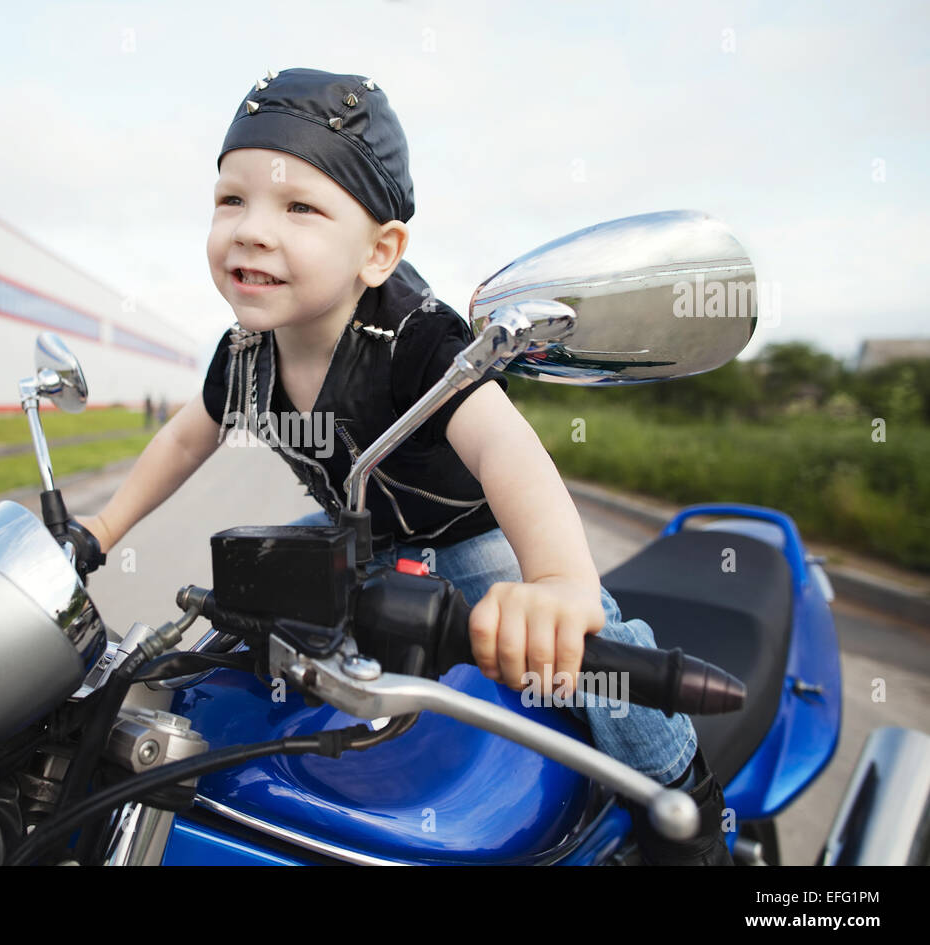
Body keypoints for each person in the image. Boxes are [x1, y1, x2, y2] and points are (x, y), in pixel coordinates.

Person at [76, 67, 732, 865]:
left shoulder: (416, 337)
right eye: (230, 200)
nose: (250, 229)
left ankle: (689, 803)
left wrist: (558, 582)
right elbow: (188, 437)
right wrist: (99, 528)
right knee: (237, 604)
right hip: (360, 534)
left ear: (379, 252)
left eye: (299, 207)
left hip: (462, 540)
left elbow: (505, 448)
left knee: (594, 660)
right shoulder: (244, 353)